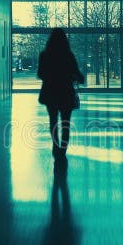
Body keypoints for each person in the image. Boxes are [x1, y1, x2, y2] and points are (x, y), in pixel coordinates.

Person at [37, 28, 85, 161]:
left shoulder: (45, 55)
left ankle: (55, 146)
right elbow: (77, 74)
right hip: (66, 93)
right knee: (65, 123)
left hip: (50, 92)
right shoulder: (68, 55)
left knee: (53, 121)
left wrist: (51, 76)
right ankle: (63, 150)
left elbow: (40, 74)